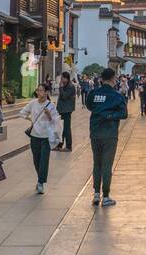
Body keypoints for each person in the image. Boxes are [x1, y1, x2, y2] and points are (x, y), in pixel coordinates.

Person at [85, 67, 128, 206]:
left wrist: (100, 112)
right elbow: (124, 114)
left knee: (96, 163)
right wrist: (111, 115)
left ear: (102, 79)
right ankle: (106, 195)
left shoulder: (93, 94)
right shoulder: (117, 96)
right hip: (109, 134)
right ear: (113, 79)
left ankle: (96, 194)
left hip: (95, 132)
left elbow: (89, 106)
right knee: (107, 165)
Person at [20, 84, 60, 195]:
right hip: (34, 136)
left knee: (44, 160)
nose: (39, 92)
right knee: (36, 160)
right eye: (38, 90)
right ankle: (39, 179)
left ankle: (41, 182)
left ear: (47, 92)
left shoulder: (51, 105)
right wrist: (31, 120)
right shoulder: (32, 103)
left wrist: (49, 115)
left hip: (46, 137)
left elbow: (55, 121)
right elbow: (22, 113)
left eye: (42, 90)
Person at [55, 71, 76, 152]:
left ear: (66, 78)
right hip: (62, 110)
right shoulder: (65, 85)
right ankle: (59, 145)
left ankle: (69, 146)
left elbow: (64, 96)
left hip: (67, 110)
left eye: (62, 78)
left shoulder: (70, 86)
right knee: (61, 128)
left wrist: (60, 87)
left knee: (66, 129)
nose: (61, 79)